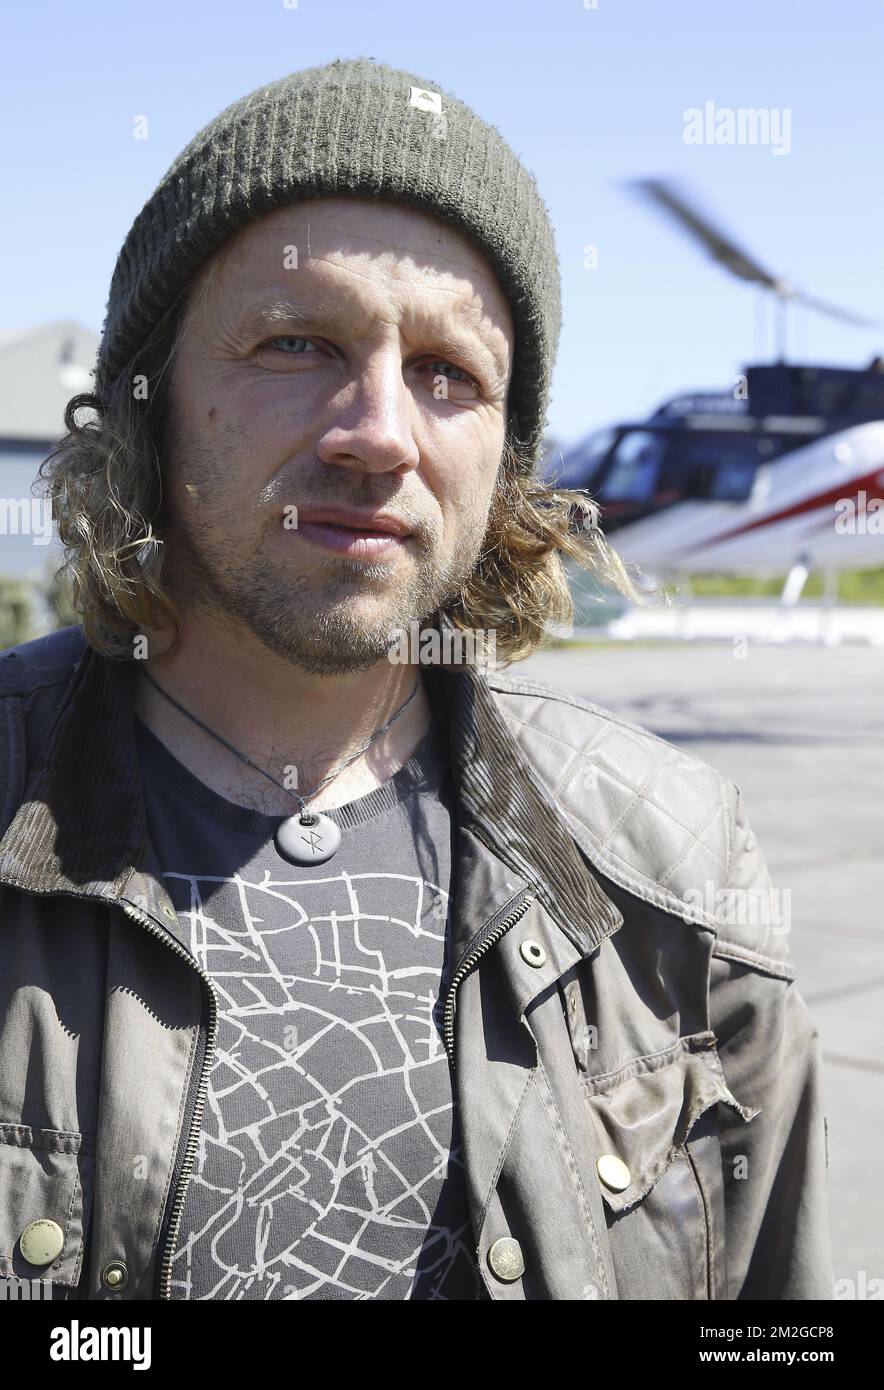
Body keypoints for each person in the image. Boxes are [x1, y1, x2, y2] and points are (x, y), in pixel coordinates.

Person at [0, 57, 832, 1301]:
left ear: (503, 457)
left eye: (450, 372)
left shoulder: (675, 872)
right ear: (150, 400)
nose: (379, 429)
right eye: (296, 341)